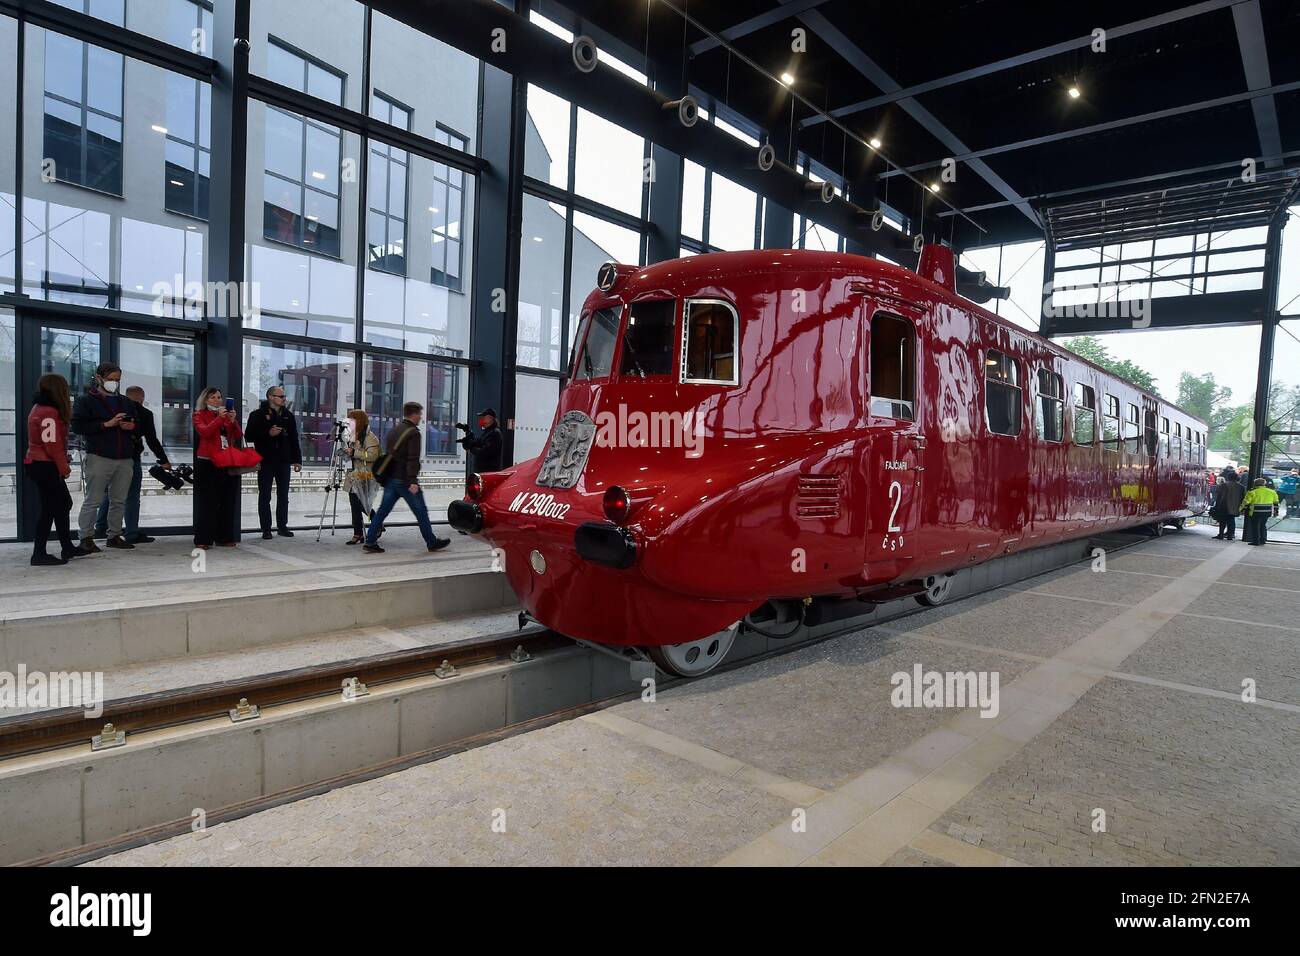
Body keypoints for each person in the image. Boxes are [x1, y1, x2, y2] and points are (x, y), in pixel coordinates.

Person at [363, 401, 451, 555]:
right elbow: (412, 458)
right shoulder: (413, 433)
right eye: (419, 414)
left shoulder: (394, 430)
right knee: (421, 511)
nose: (420, 417)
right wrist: (412, 480)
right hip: (405, 480)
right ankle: (431, 542)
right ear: (414, 414)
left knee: (383, 511)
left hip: (391, 479)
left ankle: (370, 541)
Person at [71, 362, 138, 552]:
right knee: (93, 499)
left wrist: (131, 426)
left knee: (119, 499)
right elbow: (77, 426)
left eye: (117, 380)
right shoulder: (86, 401)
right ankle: (86, 537)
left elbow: (137, 424)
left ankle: (115, 535)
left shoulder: (125, 401)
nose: (114, 383)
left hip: (124, 456)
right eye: (110, 380)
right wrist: (105, 425)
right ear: (99, 378)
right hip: (99, 455)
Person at [24, 374, 88, 565]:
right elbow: (51, 444)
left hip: (38, 463)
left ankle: (66, 547)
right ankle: (39, 554)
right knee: (51, 508)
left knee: (61, 505)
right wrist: (64, 467)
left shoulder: (39, 408)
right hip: (45, 465)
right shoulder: (49, 412)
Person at [93, 385, 170, 544]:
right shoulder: (145, 413)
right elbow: (151, 439)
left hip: (110, 457)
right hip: (131, 457)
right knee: (132, 497)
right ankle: (132, 533)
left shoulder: (116, 411)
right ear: (142, 397)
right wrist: (163, 460)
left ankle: (100, 527)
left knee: (110, 494)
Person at [245, 385, 302, 539]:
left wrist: (297, 460)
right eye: (281, 396)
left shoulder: (288, 415)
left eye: (284, 396)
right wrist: (268, 433)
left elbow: (293, 438)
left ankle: (282, 526)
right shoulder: (257, 415)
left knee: (283, 495)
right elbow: (249, 436)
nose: (284, 399)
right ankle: (266, 528)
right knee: (265, 495)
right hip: (265, 460)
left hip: (283, 460)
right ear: (271, 397)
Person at [193, 387, 242, 549]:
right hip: (207, 462)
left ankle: (224, 536)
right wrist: (219, 419)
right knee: (207, 502)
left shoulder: (226, 416)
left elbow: (237, 436)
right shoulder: (199, 415)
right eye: (212, 397)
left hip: (226, 461)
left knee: (227, 501)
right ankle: (203, 538)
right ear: (205, 400)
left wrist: (233, 421)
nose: (216, 400)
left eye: (219, 397)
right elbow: (205, 432)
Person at [343, 408, 382, 545]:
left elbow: (373, 456)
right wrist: (347, 452)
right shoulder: (353, 436)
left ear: (358, 421)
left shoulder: (370, 437)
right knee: (355, 504)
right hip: (355, 475)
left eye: (351, 420)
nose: (348, 422)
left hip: (366, 474)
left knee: (362, 503)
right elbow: (354, 455)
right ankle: (358, 533)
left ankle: (376, 524)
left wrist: (354, 452)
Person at [456, 407, 504, 472]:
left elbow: (485, 451)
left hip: (489, 472)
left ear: (490, 419)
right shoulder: (487, 432)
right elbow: (478, 442)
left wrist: (471, 448)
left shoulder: (495, 433)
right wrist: (468, 436)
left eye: (483, 417)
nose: (481, 419)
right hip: (482, 471)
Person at [1241, 478, 1280, 546]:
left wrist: (1241, 509)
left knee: (1255, 526)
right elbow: (1276, 502)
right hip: (1267, 512)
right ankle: (1263, 539)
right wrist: (1276, 511)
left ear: (1255, 484)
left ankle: (1256, 541)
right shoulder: (1272, 491)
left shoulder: (1252, 492)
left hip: (1255, 512)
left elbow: (1246, 502)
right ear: (1264, 484)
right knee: (1263, 525)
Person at [1211, 470, 1245, 541]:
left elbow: (1220, 496)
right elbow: (1242, 497)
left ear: (1228, 477)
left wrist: (1217, 505)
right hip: (1235, 506)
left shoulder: (1224, 485)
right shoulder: (1241, 487)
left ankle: (1221, 534)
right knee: (1231, 520)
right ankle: (1230, 535)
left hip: (1224, 505)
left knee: (1222, 520)